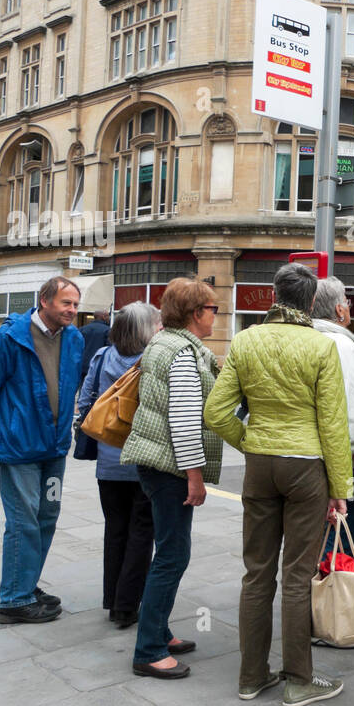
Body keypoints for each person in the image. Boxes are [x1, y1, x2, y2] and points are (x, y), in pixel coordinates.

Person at [204, 263, 353, 706]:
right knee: (297, 576)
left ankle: (251, 676)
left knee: (257, 572)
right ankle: (299, 680)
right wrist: (340, 487)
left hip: (261, 464)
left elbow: (216, 412)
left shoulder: (246, 340)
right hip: (305, 467)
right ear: (311, 302)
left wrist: (249, 440)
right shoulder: (321, 346)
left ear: (273, 295)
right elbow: (333, 424)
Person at [120, 277, 223, 679]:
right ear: (196, 314)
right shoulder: (181, 353)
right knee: (172, 554)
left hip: (157, 463)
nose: (217, 314)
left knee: (167, 549)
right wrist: (194, 478)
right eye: (213, 308)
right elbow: (183, 422)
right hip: (169, 468)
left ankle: (159, 632)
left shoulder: (163, 343)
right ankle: (148, 651)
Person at [0, 277, 85, 624]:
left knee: (46, 517)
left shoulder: (75, 338)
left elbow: (71, 386)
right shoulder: (10, 337)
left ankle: (26, 584)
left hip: (54, 448)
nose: (72, 311)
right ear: (45, 301)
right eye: (66, 303)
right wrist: (5, 428)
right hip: (20, 448)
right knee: (23, 521)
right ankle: (14, 600)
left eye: (76, 305)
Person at [76, 301, 162, 629]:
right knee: (142, 532)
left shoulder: (100, 358)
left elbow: (85, 405)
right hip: (143, 460)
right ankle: (127, 606)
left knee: (115, 531)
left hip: (108, 464)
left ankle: (112, 599)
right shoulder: (151, 361)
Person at [311, 276, 354, 573]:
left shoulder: (304, 337)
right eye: (347, 303)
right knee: (340, 524)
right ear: (339, 310)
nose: (349, 308)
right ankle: (335, 598)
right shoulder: (342, 344)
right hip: (340, 457)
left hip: (302, 455)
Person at [78, 308, 111, 384]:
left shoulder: (82, 329)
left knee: (83, 389)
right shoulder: (108, 331)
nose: (109, 318)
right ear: (103, 317)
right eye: (108, 316)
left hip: (82, 367)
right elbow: (110, 350)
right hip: (99, 367)